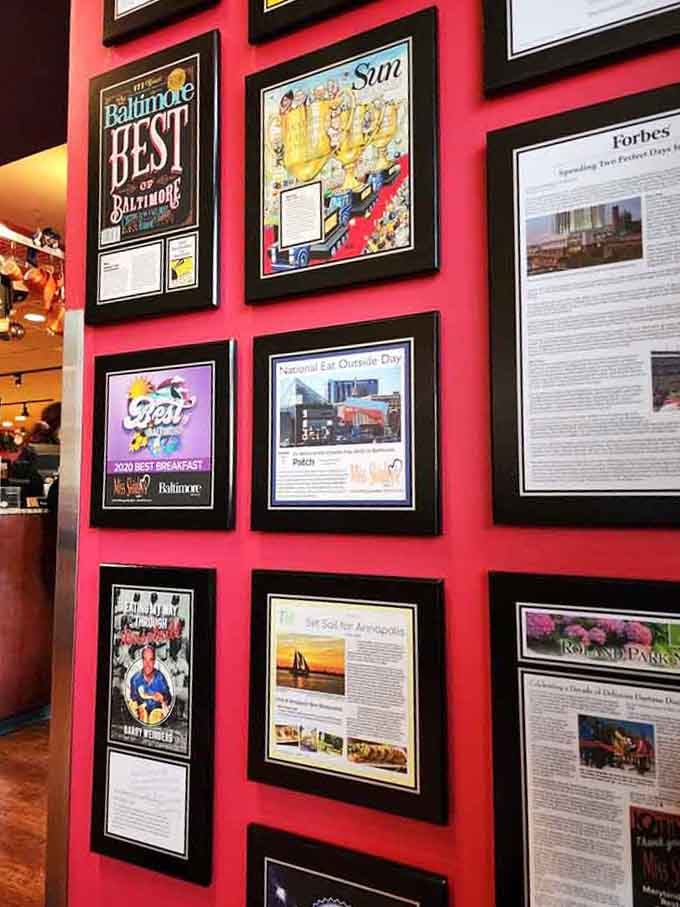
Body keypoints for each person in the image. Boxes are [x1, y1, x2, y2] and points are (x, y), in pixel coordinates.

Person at [128, 645, 172, 725]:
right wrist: (135, 708)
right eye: (145, 659)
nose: (147, 664)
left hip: (157, 713)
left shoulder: (160, 678)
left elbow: (168, 697)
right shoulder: (135, 679)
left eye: (151, 660)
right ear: (142, 660)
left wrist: (163, 698)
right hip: (141, 714)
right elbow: (133, 700)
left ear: (154, 661)